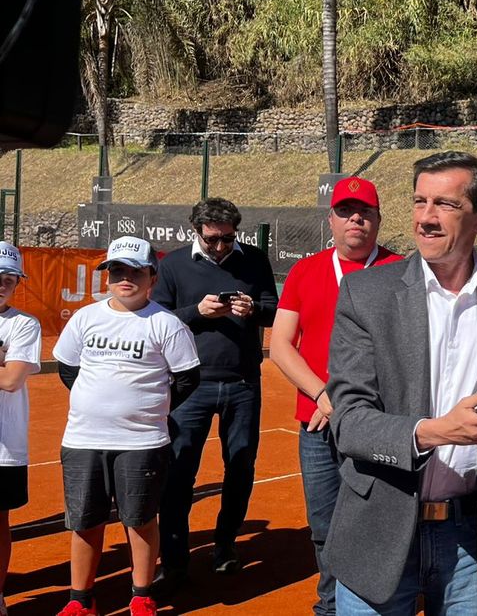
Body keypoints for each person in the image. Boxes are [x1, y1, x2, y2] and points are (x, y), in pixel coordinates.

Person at [323, 151, 477, 615]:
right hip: (379, 527)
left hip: (472, 536)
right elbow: (349, 423)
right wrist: (437, 432)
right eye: (420, 202)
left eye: (446, 204)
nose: (426, 218)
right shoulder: (366, 293)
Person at [270, 176, 402, 616]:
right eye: (345, 211)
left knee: (377, 519)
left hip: (377, 422)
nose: (355, 220)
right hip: (316, 420)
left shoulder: (401, 270)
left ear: (378, 219)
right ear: (331, 219)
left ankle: (377, 601)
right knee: (324, 521)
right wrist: (323, 394)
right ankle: (331, 605)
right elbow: (281, 345)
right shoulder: (305, 271)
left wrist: (349, 402)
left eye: (364, 212)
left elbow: (406, 351)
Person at [52, 236, 200, 616]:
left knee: (140, 520)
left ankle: (141, 595)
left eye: (136, 271)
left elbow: (187, 378)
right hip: (83, 438)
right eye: (117, 270)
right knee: (85, 522)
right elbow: (68, 368)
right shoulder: (85, 318)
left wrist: (149, 409)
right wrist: (98, 403)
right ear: (107, 276)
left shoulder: (165, 323)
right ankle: (81, 600)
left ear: (152, 277)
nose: (125, 278)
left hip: (143, 442)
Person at [151, 198, 278, 593]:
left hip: (243, 383)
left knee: (240, 468)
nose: (220, 246)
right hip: (189, 384)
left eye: (227, 238)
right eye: (212, 239)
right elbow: (157, 319)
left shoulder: (254, 259)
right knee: (178, 473)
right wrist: (197, 312)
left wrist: (252, 308)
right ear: (196, 230)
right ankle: (174, 561)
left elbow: (274, 310)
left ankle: (225, 546)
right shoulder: (173, 264)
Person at [0, 243, 41, 616]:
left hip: (3, 445)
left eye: (8, 279)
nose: (2, 284)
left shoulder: (24, 324)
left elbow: (11, 380)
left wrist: (7, 367)